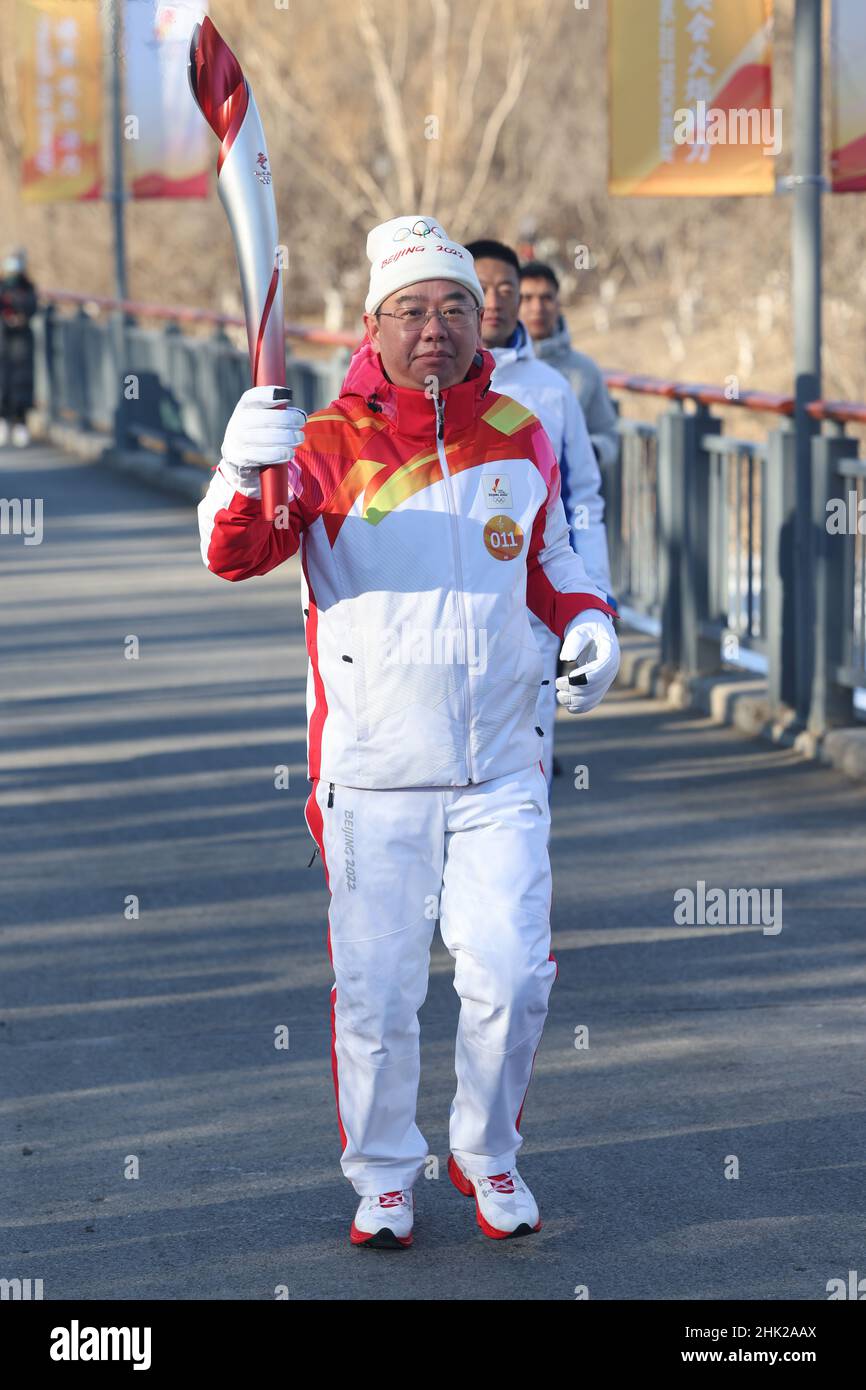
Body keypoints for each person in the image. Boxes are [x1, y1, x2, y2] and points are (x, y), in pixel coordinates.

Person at [198, 215, 620, 1251]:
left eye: (454, 309)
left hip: (500, 761)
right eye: (411, 311)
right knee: (378, 996)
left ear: (485, 319)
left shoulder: (517, 427)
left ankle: (487, 1152)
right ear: (372, 323)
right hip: (374, 773)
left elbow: (549, 557)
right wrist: (234, 466)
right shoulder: (321, 443)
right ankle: (385, 1174)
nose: (435, 327)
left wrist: (590, 621)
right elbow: (235, 551)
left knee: (513, 974)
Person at [465, 238, 613, 790]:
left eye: (508, 289)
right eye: (484, 289)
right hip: (454, 603)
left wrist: (593, 591)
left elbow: (584, 498)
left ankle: (523, 854)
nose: (498, 301)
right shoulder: (426, 390)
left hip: (532, 594)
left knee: (530, 748)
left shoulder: (551, 390)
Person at [518, 260, 620, 470]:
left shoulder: (585, 370)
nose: (537, 307)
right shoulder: (493, 366)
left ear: (558, 304)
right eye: (527, 298)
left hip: (569, 493)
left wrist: (585, 453)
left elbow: (608, 436)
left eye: (546, 298)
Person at [0, 249, 38, 448]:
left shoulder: (27, 287)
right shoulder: (2, 286)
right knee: (3, 381)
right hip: (4, 339)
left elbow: (32, 306)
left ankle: (21, 423)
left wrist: (21, 317)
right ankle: (3, 419)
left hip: (22, 341)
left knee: (22, 382)